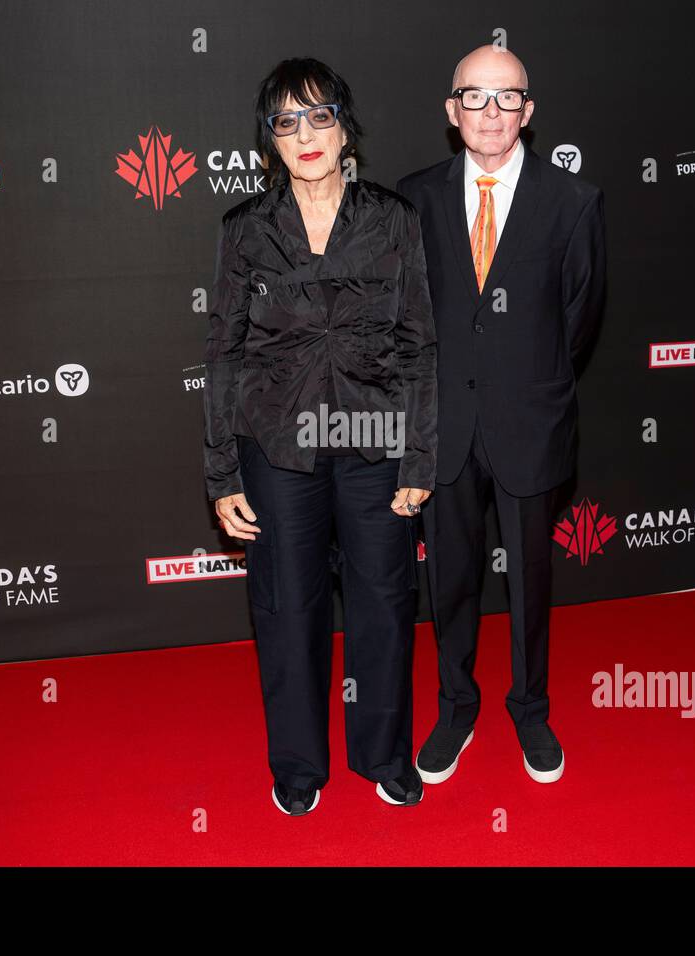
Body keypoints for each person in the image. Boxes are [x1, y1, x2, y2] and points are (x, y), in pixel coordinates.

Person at [203, 57, 438, 815]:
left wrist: (420, 456)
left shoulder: (394, 218)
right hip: (277, 451)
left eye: (319, 115)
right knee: (287, 611)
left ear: (344, 127)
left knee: (384, 606)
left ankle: (384, 754)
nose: (305, 133)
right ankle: (299, 765)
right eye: (286, 120)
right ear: (269, 140)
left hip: (375, 441)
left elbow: (419, 343)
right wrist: (221, 473)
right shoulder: (244, 229)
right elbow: (224, 353)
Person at [396, 44, 606, 785]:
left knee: (529, 585)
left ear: (528, 110)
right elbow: (407, 317)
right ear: (451, 111)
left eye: (507, 97)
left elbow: (579, 320)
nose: (491, 112)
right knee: (450, 580)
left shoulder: (573, 200)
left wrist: (526, 383)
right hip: (444, 428)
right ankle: (456, 706)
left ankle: (531, 709)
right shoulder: (413, 198)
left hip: (530, 425)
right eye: (475, 97)